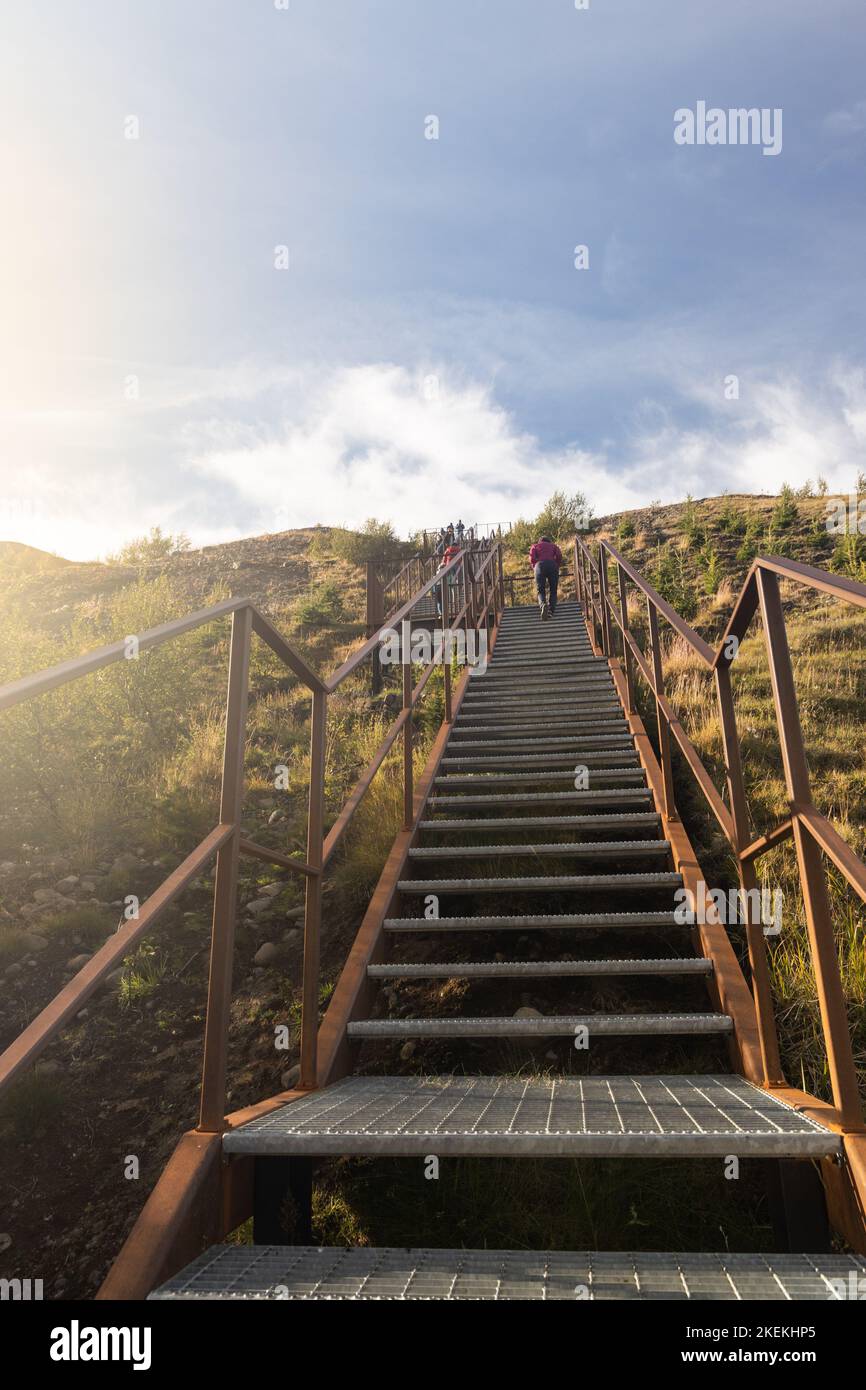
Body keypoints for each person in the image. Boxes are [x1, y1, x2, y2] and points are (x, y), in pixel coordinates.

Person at [529, 534, 562, 619]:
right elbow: (559, 555)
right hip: (552, 565)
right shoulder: (554, 546)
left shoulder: (535, 546)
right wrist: (556, 565)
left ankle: (543, 605)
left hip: (540, 565)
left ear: (540, 541)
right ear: (549, 541)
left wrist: (535, 567)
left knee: (540, 590)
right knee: (553, 590)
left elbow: (532, 558)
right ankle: (551, 610)